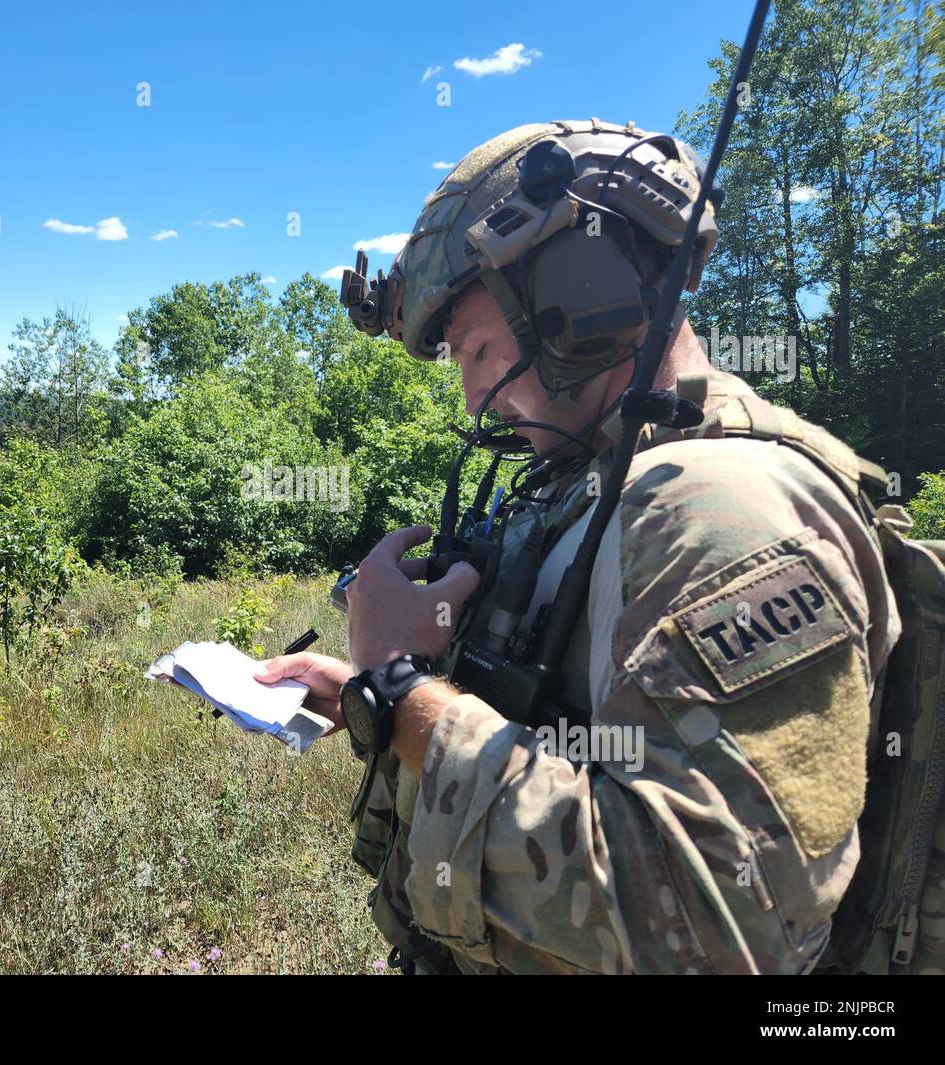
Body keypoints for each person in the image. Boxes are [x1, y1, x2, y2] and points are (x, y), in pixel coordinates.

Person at [255, 119, 901, 974]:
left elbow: (717, 931)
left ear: (585, 295)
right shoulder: (595, 478)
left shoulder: (721, 510)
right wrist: (360, 695)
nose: (474, 395)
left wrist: (401, 691)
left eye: (477, 349)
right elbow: (571, 737)